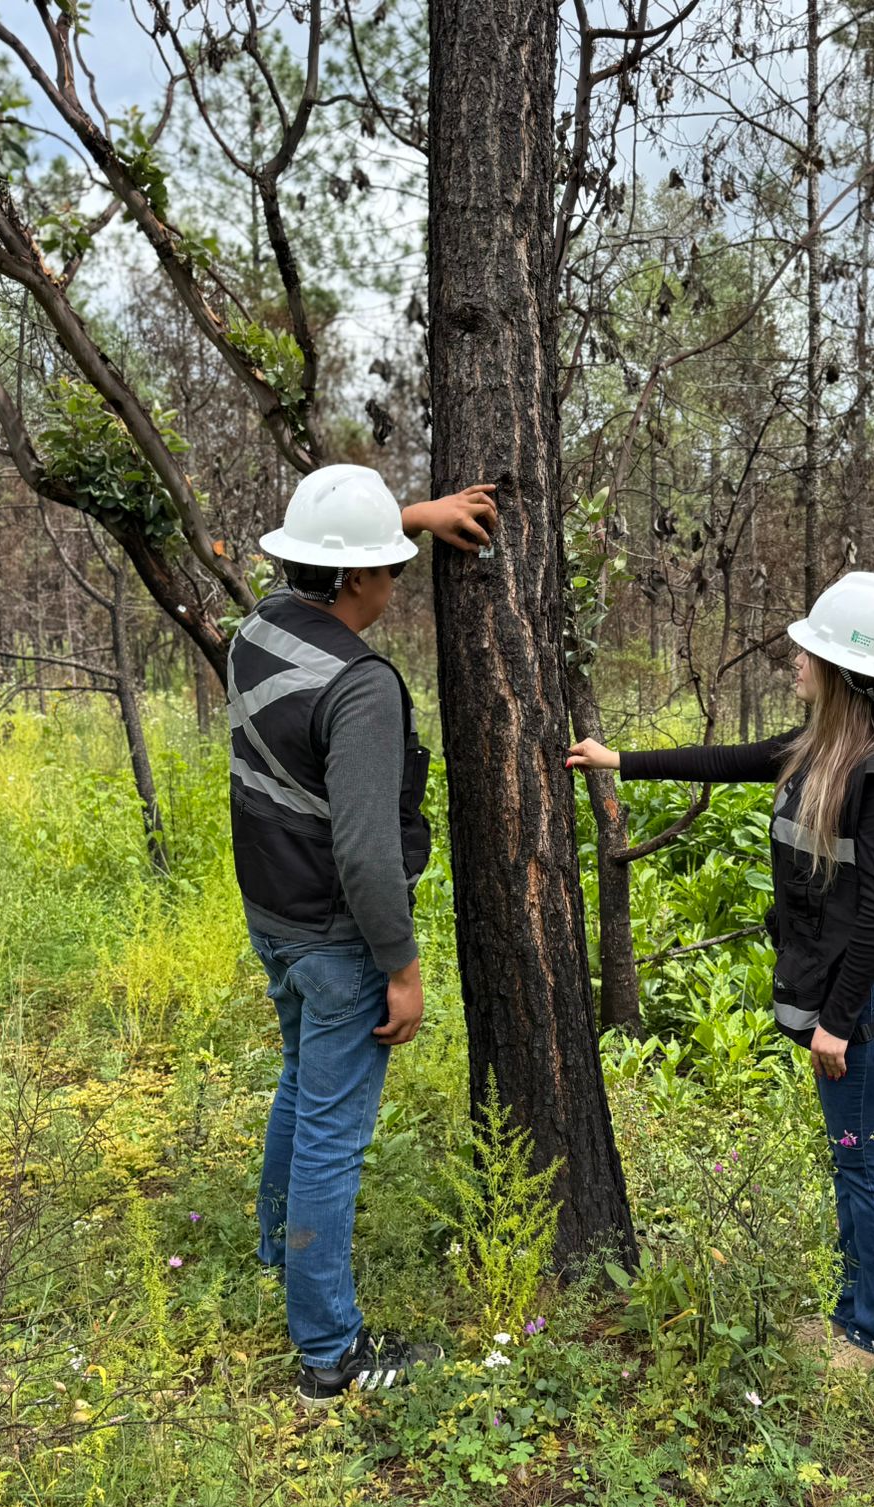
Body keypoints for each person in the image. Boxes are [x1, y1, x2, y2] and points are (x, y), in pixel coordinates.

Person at [567, 572, 874, 1373]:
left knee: (869, 1166)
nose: (795, 660)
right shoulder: (825, 748)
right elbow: (735, 757)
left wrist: (838, 1023)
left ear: (843, 671)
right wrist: (619, 761)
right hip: (857, 997)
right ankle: (856, 1318)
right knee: (854, 1158)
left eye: (809, 650)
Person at [228, 463, 495, 1406]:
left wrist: (410, 517)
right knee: (333, 1134)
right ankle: (329, 1354)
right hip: (340, 938)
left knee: (301, 1085)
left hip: (275, 918)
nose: (396, 579)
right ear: (353, 582)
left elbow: (327, 560)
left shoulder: (257, 629)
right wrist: (404, 968)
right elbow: (370, 854)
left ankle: (277, 1254)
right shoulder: (363, 687)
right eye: (386, 563)